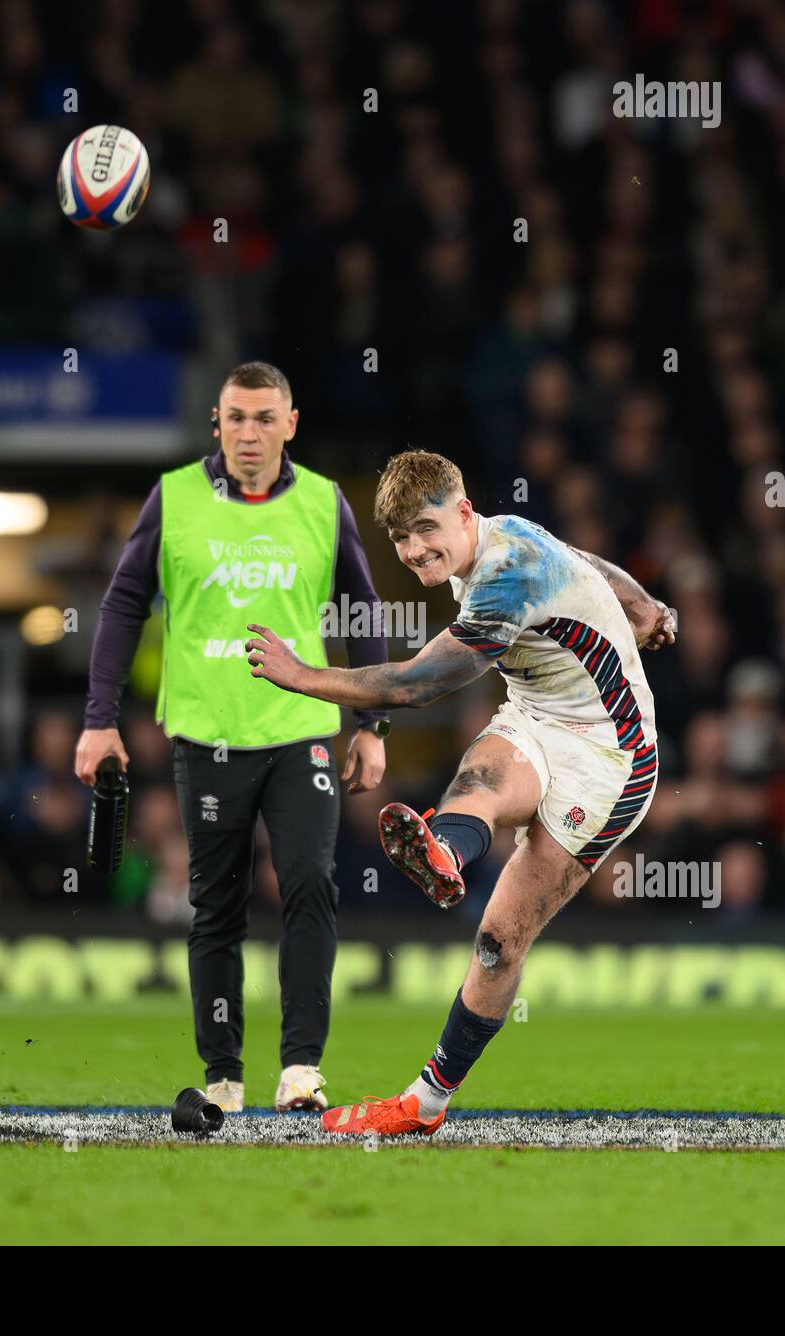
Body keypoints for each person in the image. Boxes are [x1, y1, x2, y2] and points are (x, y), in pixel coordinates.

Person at [245, 449, 675, 1135]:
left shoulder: (508, 575)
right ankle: (442, 850)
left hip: (611, 756)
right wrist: (647, 607)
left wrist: (302, 676)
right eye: (400, 539)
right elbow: (586, 562)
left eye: (425, 529)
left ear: (464, 512)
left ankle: (426, 1102)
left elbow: (415, 684)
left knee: (500, 941)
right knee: (478, 778)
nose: (416, 551)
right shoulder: (498, 536)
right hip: (539, 714)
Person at [75, 361, 389, 1113]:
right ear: (217, 424)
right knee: (217, 906)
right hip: (207, 734)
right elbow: (122, 603)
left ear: (291, 423)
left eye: (263, 417)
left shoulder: (323, 502)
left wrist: (371, 723)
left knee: (311, 883)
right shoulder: (175, 496)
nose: (249, 433)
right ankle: (224, 1076)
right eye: (235, 418)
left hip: (301, 730)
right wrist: (98, 719)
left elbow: (365, 607)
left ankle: (302, 1070)